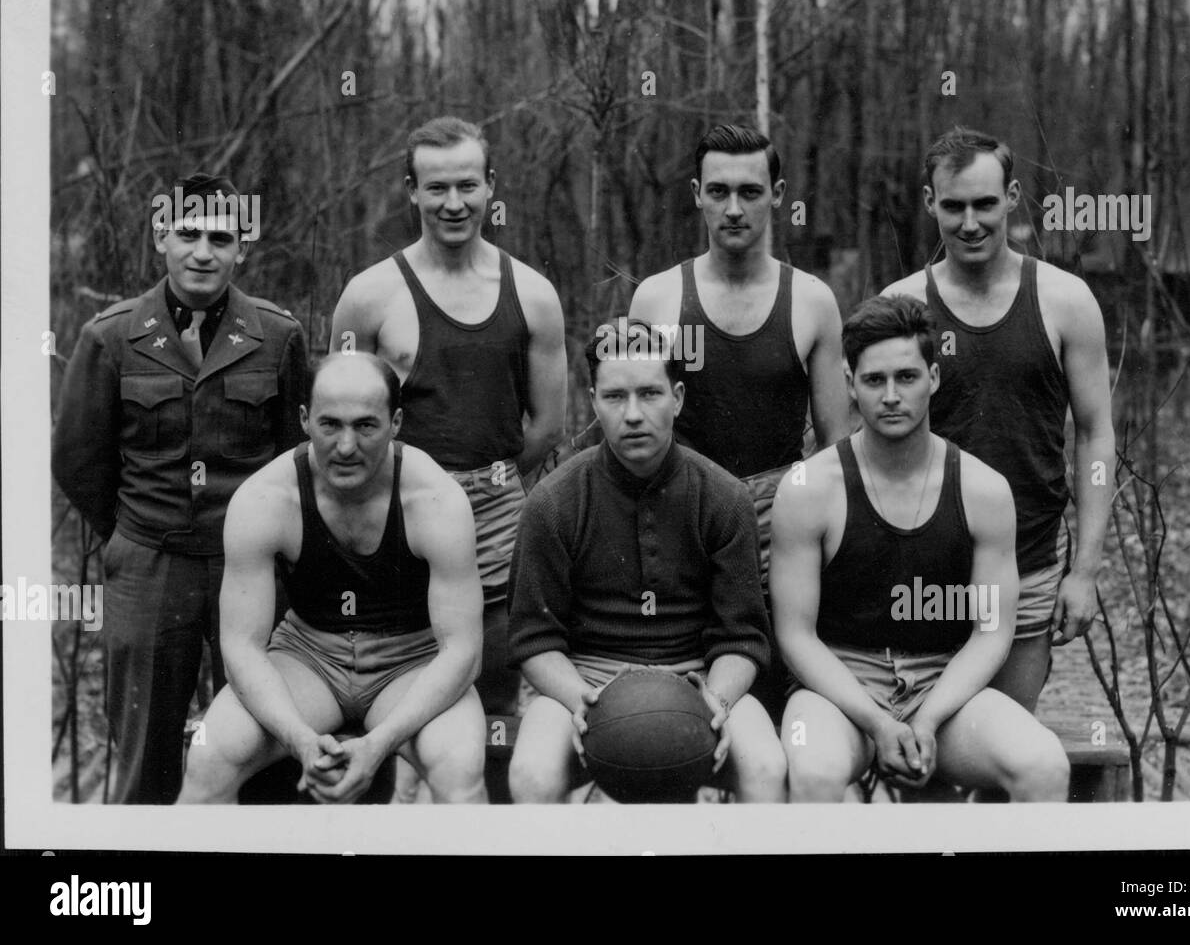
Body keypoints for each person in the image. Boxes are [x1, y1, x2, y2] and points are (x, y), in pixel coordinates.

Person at [52, 173, 310, 804]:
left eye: (220, 237)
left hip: (247, 568)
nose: (203, 251)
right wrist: (132, 536)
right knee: (145, 749)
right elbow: (78, 458)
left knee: (263, 747)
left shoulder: (278, 337)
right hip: (150, 562)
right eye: (187, 233)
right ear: (159, 238)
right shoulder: (109, 337)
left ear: (242, 248)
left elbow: (294, 459)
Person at [770, 296, 1070, 802]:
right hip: (842, 688)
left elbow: (991, 632)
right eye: (874, 380)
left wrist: (928, 718)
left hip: (943, 686)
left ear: (933, 376)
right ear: (849, 384)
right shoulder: (809, 489)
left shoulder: (984, 490)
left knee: (1043, 765)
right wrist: (876, 723)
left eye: (906, 377)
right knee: (815, 770)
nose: (891, 396)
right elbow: (796, 636)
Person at [329, 116, 567, 724]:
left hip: (495, 513)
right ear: (411, 190)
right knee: (378, 689)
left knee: (491, 699)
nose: (453, 204)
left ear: (491, 187)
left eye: (467, 186)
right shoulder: (368, 295)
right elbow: (339, 421)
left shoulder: (533, 293)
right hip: (389, 510)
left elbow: (546, 424)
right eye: (436, 188)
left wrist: (484, 484)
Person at [178, 353, 487, 804]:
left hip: (410, 660)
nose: (346, 447)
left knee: (460, 773)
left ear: (396, 422)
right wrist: (299, 738)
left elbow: (462, 651)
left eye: (366, 426)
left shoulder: (436, 499)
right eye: (330, 425)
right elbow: (241, 646)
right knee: (209, 760)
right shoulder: (265, 498)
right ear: (304, 420)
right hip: (308, 656)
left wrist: (378, 744)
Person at [882, 127, 1115, 712]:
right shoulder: (901, 307)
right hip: (921, 575)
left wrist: (1084, 570)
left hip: (1028, 567)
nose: (970, 223)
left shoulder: (1065, 300)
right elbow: (869, 445)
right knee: (920, 760)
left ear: (1012, 197)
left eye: (985, 203)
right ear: (930, 203)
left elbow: (1094, 434)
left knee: (1005, 752)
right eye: (954, 205)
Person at [507, 319, 786, 803]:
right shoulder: (553, 502)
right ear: (592, 400)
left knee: (766, 766)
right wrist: (583, 703)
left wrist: (714, 702)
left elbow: (742, 636)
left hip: (699, 673)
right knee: (532, 774)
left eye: (650, 394)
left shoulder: (724, 497)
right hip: (584, 677)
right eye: (614, 397)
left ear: (677, 398)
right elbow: (534, 639)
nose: (633, 414)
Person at [630, 125, 852, 717]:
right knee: (675, 708)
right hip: (679, 519)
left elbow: (836, 448)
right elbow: (636, 427)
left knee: (781, 704)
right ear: (696, 193)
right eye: (719, 191)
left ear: (777, 194)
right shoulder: (656, 298)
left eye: (751, 192)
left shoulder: (811, 301)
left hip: (779, 525)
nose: (734, 208)